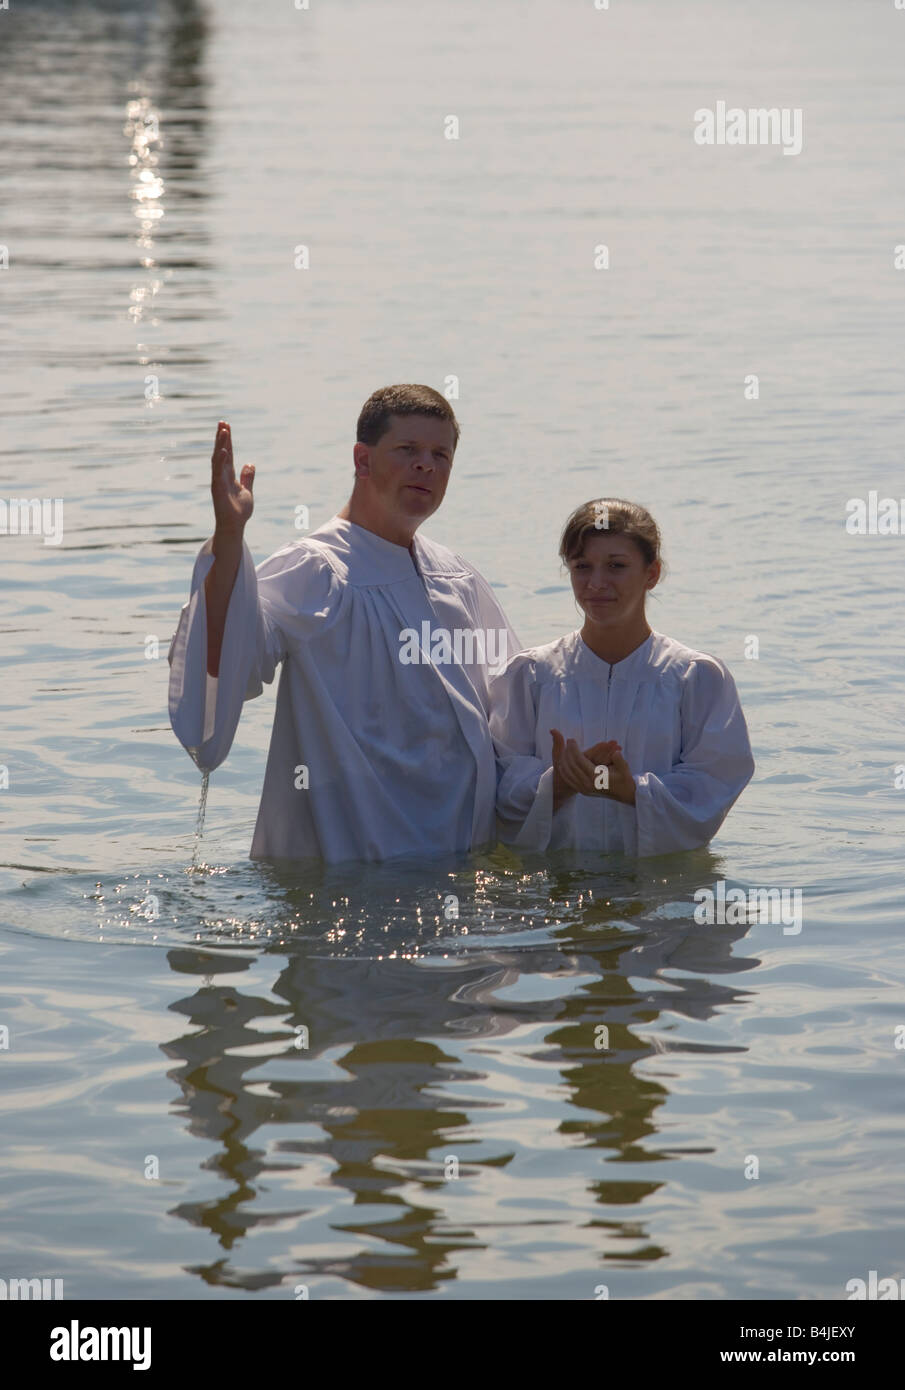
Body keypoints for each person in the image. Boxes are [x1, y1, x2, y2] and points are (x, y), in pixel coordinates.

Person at [168, 385, 520, 862]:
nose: (427, 466)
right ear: (362, 460)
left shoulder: (455, 577)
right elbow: (231, 654)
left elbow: (513, 708)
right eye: (408, 450)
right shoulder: (317, 571)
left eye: (441, 454)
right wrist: (230, 538)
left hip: (461, 865)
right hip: (350, 866)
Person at [488, 499, 755, 856]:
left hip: (658, 894)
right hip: (557, 892)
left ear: (652, 573)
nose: (596, 583)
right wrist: (560, 784)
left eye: (616, 566)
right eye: (582, 566)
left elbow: (714, 784)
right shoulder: (530, 676)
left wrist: (631, 792)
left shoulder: (696, 679)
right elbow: (499, 788)